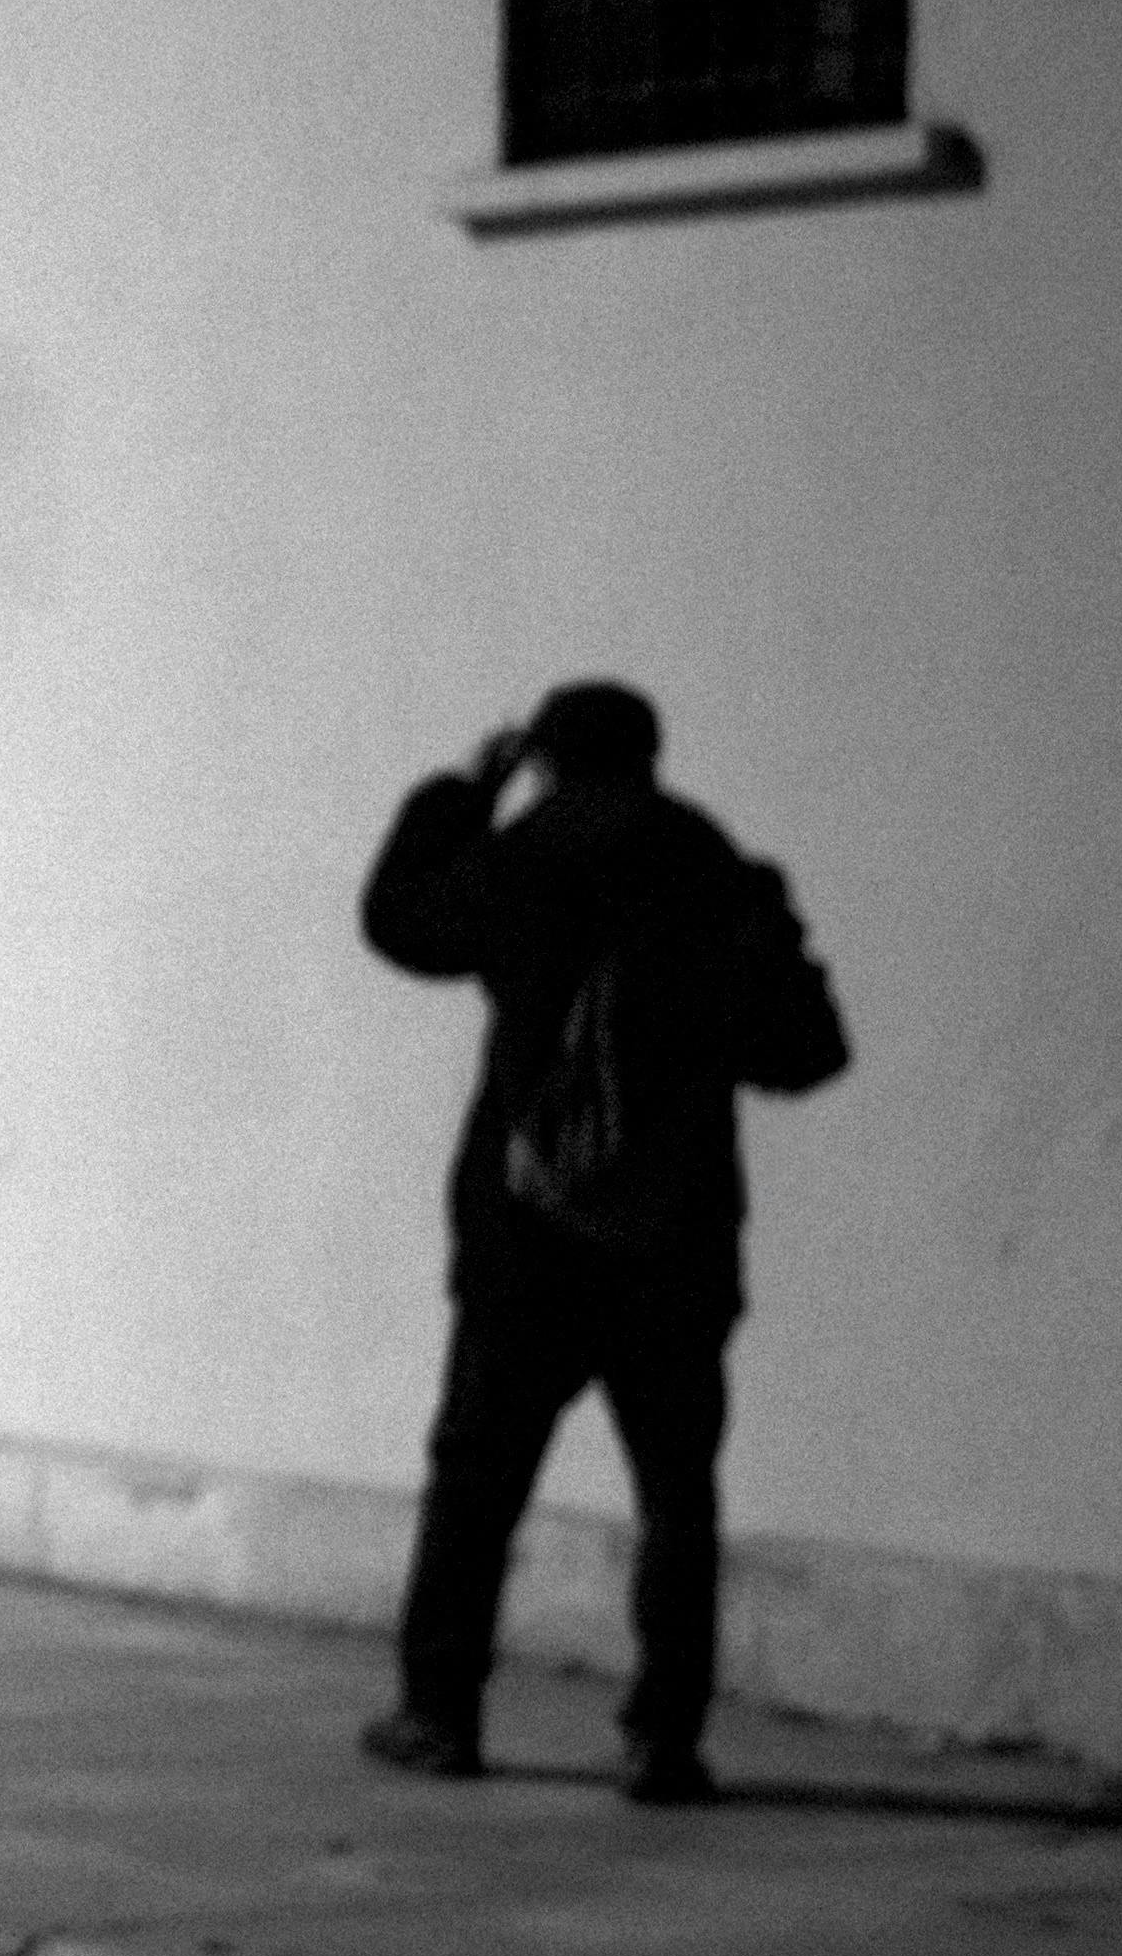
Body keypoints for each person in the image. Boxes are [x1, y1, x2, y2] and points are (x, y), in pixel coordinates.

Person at [355, 679, 845, 1806]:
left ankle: (440, 1713)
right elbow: (805, 1050)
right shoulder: (707, 864)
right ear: (653, 753)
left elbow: (397, 920)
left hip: (525, 1243)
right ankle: (662, 1739)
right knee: (677, 1494)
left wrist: (460, 794)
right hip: (672, 1242)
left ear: (544, 759)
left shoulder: (521, 860)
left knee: (476, 1480)